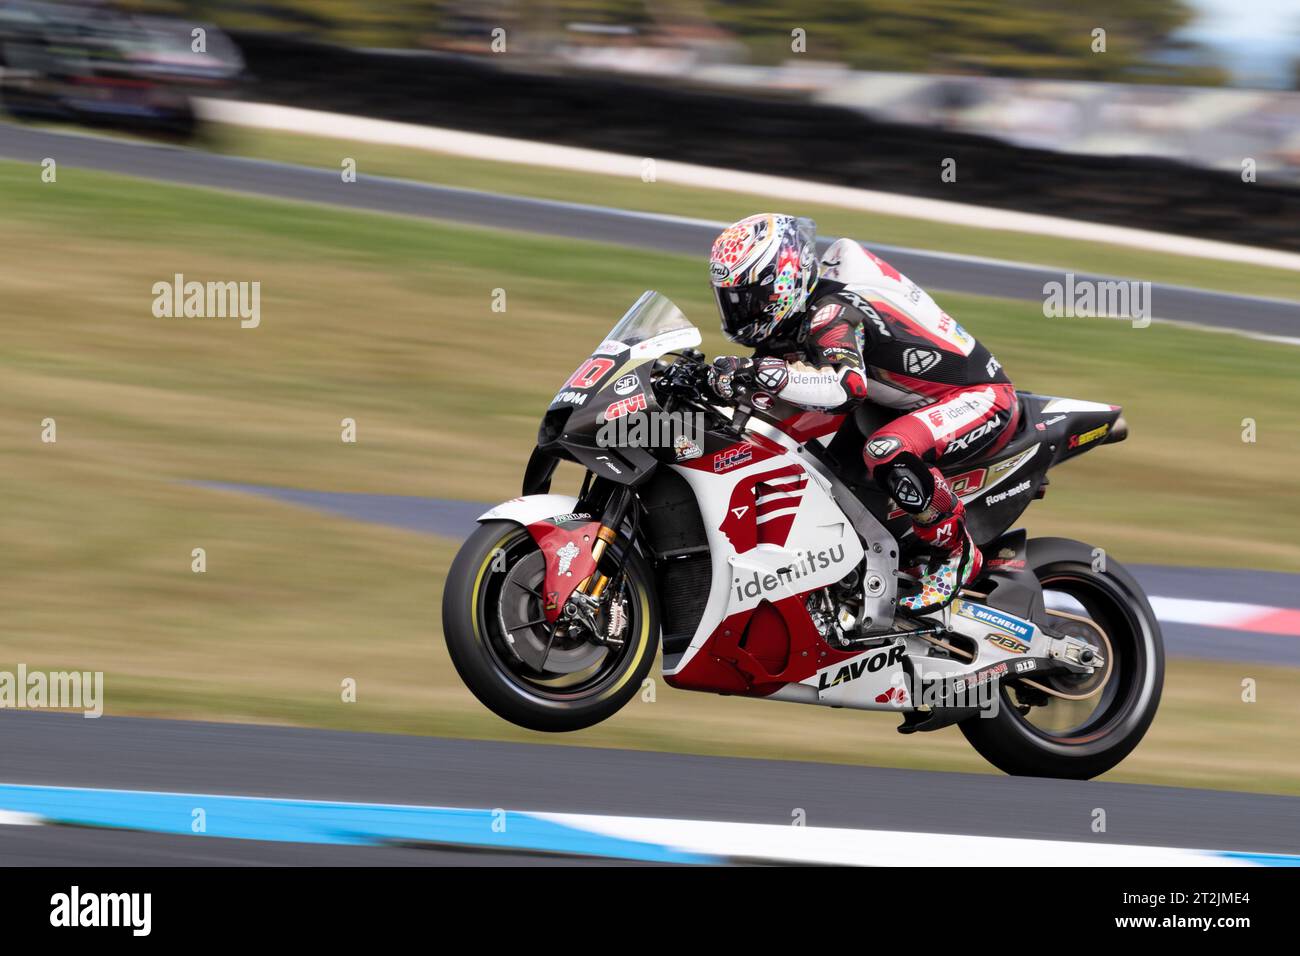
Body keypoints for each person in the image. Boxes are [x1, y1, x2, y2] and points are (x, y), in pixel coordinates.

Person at [706, 213, 1018, 613]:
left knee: (886, 450)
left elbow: (845, 388)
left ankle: (956, 554)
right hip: (897, 405)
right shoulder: (794, 320)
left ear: (783, 281)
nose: (741, 312)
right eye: (731, 301)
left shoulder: (832, 312)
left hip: (980, 397)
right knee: (810, 454)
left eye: (750, 298)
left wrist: (762, 373)